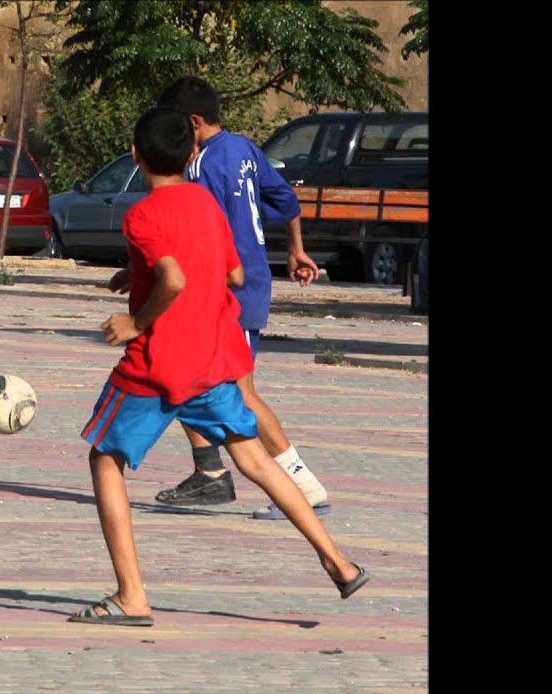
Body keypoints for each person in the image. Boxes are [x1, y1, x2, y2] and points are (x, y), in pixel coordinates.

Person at [70, 105, 368, 626]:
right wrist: (136, 272)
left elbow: (175, 280)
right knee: (253, 459)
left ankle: (131, 595)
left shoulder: (139, 214)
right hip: (214, 357)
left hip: (158, 365)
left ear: (136, 156)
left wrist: (137, 321)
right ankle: (338, 562)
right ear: (192, 153)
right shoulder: (206, 201)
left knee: (104, 460)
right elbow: (230, 273)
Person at [149, 76, 331, 520]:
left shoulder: (204, 165)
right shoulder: (245, 149)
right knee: (183, 378)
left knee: (241, 393)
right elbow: (285, 199)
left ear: (193, 122)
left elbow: (197, 229)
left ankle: (302, 483)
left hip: (228, 290)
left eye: (177, 128)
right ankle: (209, 473)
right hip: (248, 282)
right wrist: (295, 249)